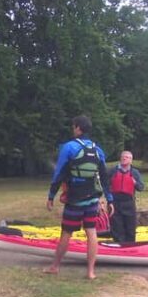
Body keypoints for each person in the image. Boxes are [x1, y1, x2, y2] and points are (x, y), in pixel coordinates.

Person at [44, 116, 113, 280]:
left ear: (77, 128)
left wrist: (51, 195)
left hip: (74, 199)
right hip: (92, 199)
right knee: (92, 232)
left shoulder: (69, 147)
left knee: (66, 233)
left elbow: (59, 173)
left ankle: (55, 267)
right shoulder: (98, 150)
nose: (72, 129)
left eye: (73, 127)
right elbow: (104, 176)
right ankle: (90, 272)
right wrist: (110, 199)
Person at [108, 150, 145, 243]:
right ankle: (118, 247)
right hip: (115, 203)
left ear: (131, 160)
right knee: (117, 228)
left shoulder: (135, 173)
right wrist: (108, 201)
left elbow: (141, 187)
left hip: (129, 203)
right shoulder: (112, 171)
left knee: (130, 228)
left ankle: (130, 248)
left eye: (127, 157)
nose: (124, 158)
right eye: (123, 156)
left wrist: (135, 182)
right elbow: (105, 186)